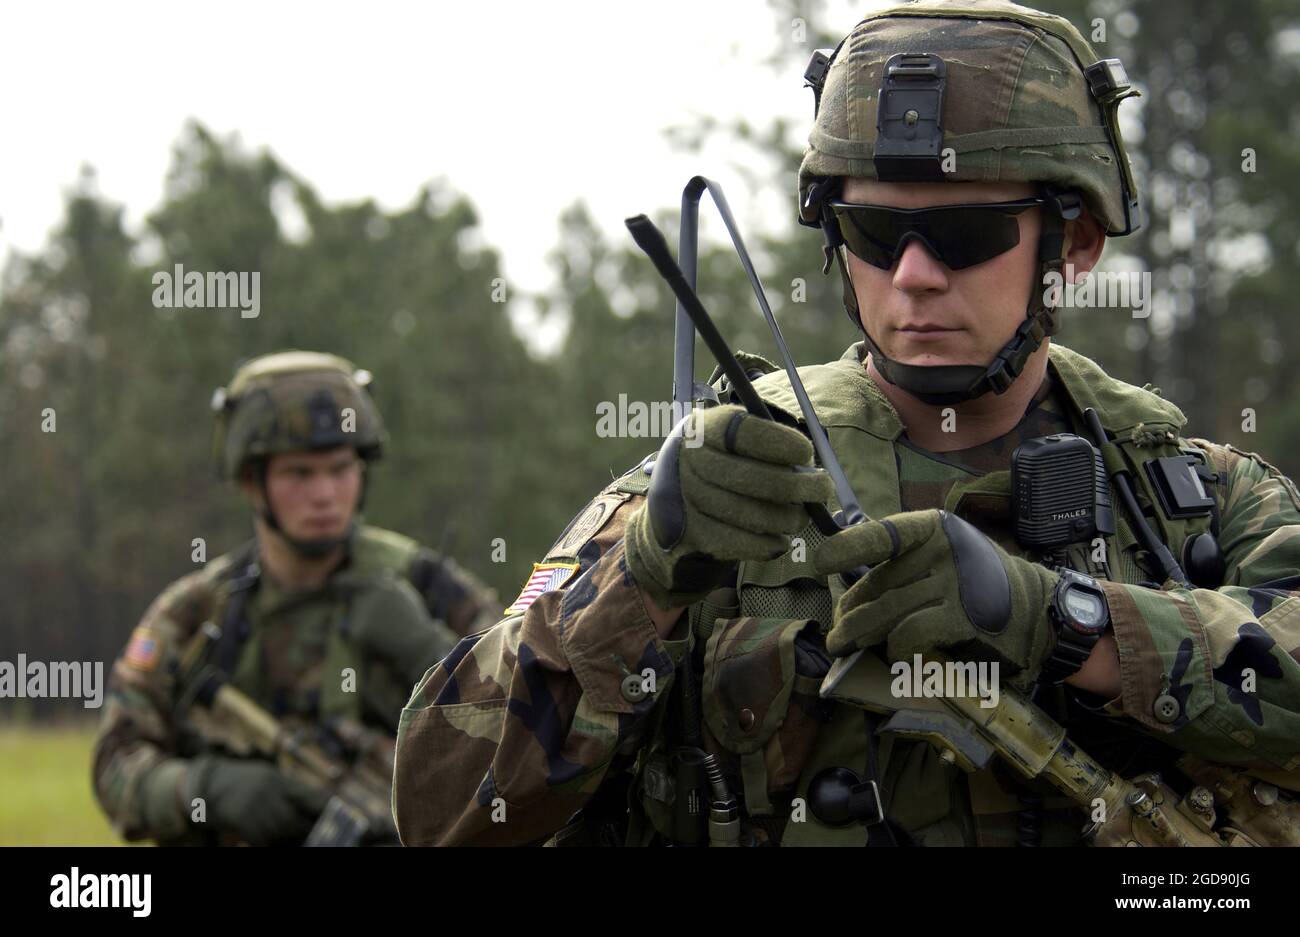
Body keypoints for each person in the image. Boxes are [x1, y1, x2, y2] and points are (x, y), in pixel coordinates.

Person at [392, 0, 1300, 846]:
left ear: (1079, 247)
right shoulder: (728, 485)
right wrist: (644, 576)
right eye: (873, 233)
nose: (912, 275)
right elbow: (436, 805)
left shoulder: (1197, 498)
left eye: (967, 234)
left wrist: (1056, 620)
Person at [93, 350, 499, 845]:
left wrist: (431, 652)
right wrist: (205, 788)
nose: (325, 494)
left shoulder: (429, 588)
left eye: (340, 469)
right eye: (299, 474)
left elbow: (528, 726)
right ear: (251, 481)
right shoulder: (198, 614)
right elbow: (116, 765)